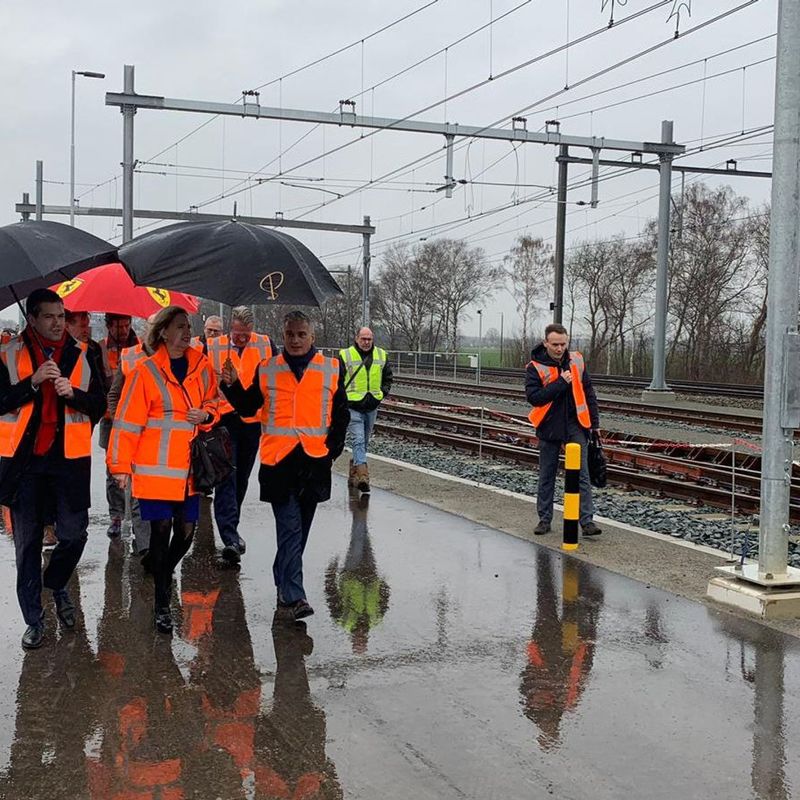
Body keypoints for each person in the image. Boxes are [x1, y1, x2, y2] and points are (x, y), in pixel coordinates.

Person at [221, 310, 349, 620]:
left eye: (301, 334)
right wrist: (231, 385)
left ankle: (282, 570)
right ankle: (294, 596)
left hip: (315, 460)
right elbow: (249, 407)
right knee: (290, 527)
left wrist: (333, 449)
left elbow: (342, 413)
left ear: (312, 337)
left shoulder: (332, 368)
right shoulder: (268, 369)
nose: (294, 339)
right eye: (290, 334)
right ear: (283, 335)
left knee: (300, 531)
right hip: (279, 461)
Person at [0, 288, 106, 649]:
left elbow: (99, 405)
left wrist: (72, 393)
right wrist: (31, 383)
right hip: (24, 463)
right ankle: (33, 619)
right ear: (32, 319)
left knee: (75, 534)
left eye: (62, 316)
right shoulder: (8, 353)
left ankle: (56, 582)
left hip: (69, 462)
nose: (58, 323)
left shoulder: (84, 352)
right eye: (49, 316)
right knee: (27, 544)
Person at [107, 305, 219, 633]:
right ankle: (161, 603)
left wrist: (207, 414)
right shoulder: (145, 371)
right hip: (154, 469)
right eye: (180, 326)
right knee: (160, 533)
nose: (187, 332)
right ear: (164, 332)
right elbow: (127, 423)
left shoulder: (203, 366)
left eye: (189, 326)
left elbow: (216, 401)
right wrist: (120, 466)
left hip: (189, 470)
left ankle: (163, 571)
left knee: (186, 533)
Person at [206, 306, 273, 564]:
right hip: (223, 419)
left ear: (252, 330)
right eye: (236, 333)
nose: (240, 339)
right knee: (227, 476)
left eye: (245, 334)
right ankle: (230, 536)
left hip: (251, 420)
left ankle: (231, 525)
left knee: (242, 477)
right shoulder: (215, 347)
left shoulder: (265, 345)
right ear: (229, 328)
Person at [526, 323, 602, 537]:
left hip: (576, 424)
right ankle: (544, 520)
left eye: (563, 344)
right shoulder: (535, 367)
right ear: (546, 343)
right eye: (555, 344)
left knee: (582, 475)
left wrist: (594, 424)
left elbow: (588, 393)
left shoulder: (576, 360)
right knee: (547, 475)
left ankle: (587, 521)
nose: (560, 348)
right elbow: (534, 397)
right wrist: (560, 382)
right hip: (549, 425)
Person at [105, 312, 158, 566]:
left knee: (152, 493)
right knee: (134, 491)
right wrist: (121, 424)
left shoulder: (175, 357)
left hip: (161, 439)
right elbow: (113, 396)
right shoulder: (130, 357)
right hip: (131, 435)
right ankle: (145, 545)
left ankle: (153, 542)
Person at [339, 326, 393, 493]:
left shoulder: (381, 355)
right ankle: (363, 476)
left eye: (369, 339)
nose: (366, 342)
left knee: (365, 440)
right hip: (353, 405)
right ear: (356, 338)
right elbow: (338, 379)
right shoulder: (345, 355)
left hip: (372, 405)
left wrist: (381, 394)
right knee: (358, 439)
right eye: (363, 338)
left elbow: (388, 377)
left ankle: (354, 469)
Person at [99, 313, 139, 538]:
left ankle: (135, 516)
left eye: (127, 325)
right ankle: (116, 515)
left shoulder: (140, 348)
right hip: (110, 418)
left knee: (136, 470)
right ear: (108, 326)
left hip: (136, 417)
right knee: (113, 470)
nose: (124, 330)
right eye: (119, 326)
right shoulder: (101, 349)